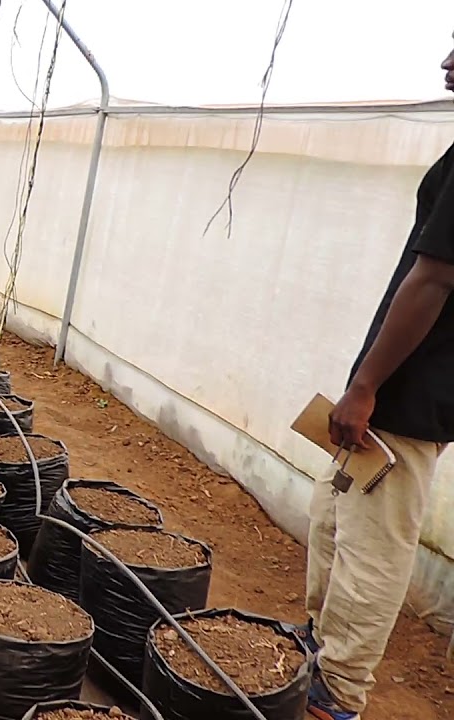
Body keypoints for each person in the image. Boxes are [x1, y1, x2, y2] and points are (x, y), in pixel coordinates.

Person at [303, 39, 454, 720]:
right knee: (333, 518)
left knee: (372, 551)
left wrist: (365, 386)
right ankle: (317, 651)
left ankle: (338, 694)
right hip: (406, 392)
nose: (447, 64)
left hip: (408, 395)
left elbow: (435, 278)